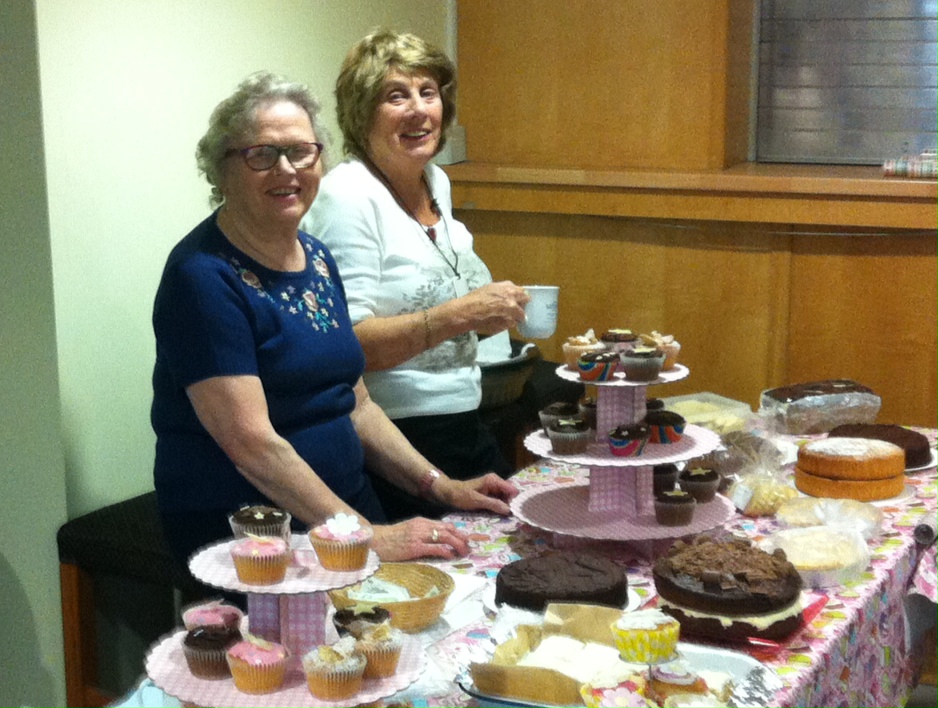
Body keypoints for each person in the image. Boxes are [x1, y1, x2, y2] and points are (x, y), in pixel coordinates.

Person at [151, 71, 517, 574]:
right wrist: (366, 537)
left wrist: (439, 484)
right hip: (253, 533)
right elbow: (252, 445)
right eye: (262, 154)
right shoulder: (202, 278)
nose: (287, 169)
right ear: (222, 169)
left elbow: (356, 403)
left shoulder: (317, 258)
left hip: (341, 508)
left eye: (302, 152)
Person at [301, 30, 529, 520]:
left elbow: (438, 298)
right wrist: (460, 314)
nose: (418, 110)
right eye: (395, 96)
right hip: (396, 439)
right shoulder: (348, 198)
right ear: (362, 114)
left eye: (428, 92)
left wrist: (487, 316)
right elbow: (348, 345)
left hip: (464, 418)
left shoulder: (435, 182)